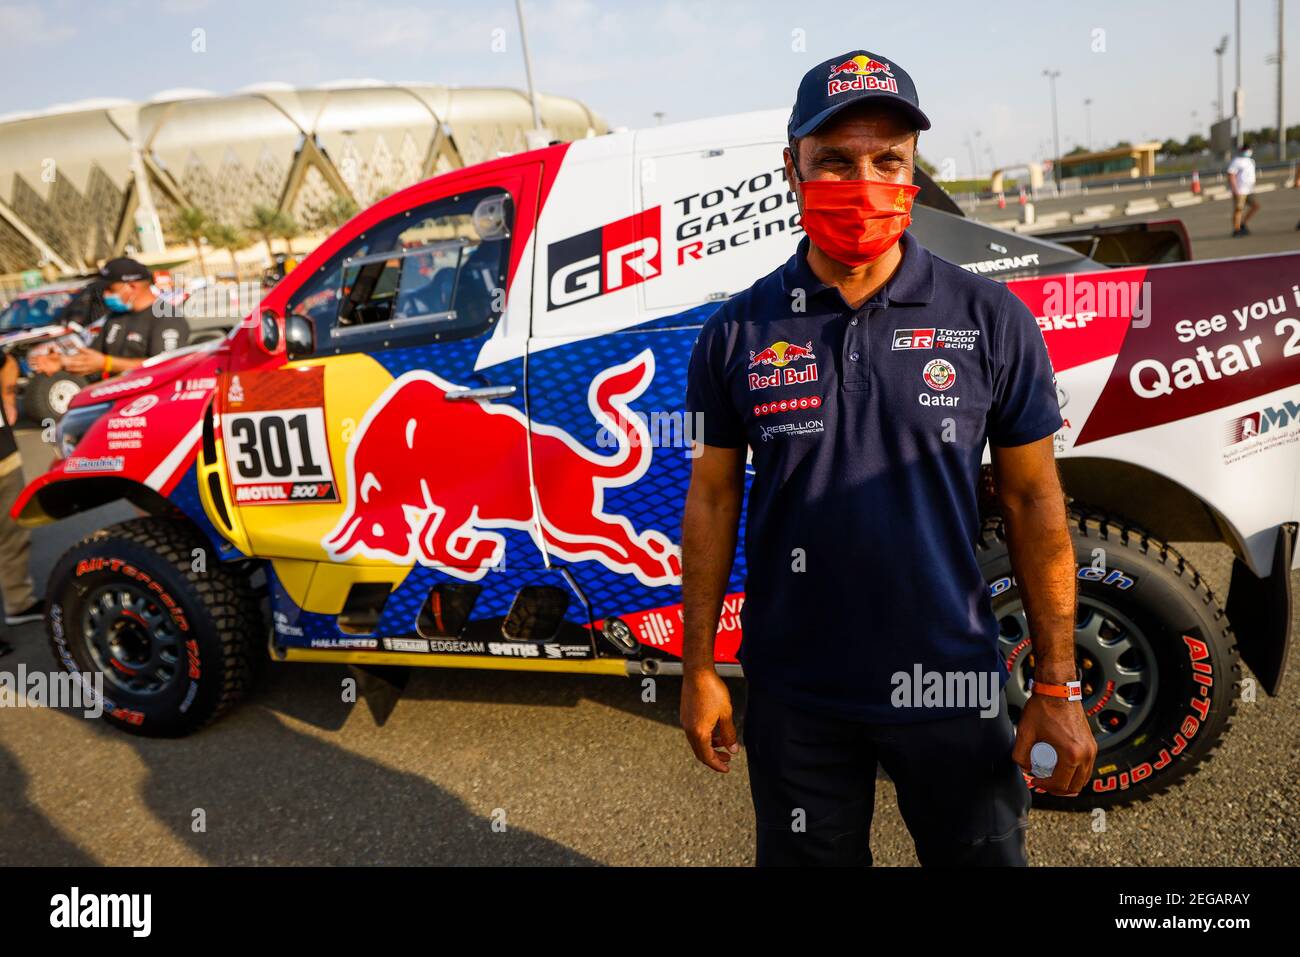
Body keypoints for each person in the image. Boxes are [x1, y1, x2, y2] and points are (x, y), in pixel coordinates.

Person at [679, 49, 1095, 867]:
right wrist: (699, 667)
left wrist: (1057, 682)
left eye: (886, 160)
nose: (861, 180)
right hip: (798, 694)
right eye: (834, 159)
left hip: (953, 683)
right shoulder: (735, 331)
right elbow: (712, 500)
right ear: (790, 169)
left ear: (912, 170)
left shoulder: (990, 318)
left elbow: (1036, 504)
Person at [32, 258, 188, 380]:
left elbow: (166, 367)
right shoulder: (115, 318)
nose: (105, 295)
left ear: (132, 286)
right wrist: (62, 362)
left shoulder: (167, 317)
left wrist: (108, 364)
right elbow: (93, 357)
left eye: (110, 289)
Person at [0, 350, 42, 650]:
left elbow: (8, 362)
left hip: (4, 455)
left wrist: (8, 398)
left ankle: (19, 603)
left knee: (13, 534)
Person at [1227, 146, 1259, 237]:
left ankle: (1243, 223)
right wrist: (1235, 189)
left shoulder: (1251, 161)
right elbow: (1231, 175)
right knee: (1238, 209)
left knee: (1255, 206)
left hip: (1249, 190)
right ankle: (1236, 229)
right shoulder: (1236, 161)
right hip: (1240, 190)